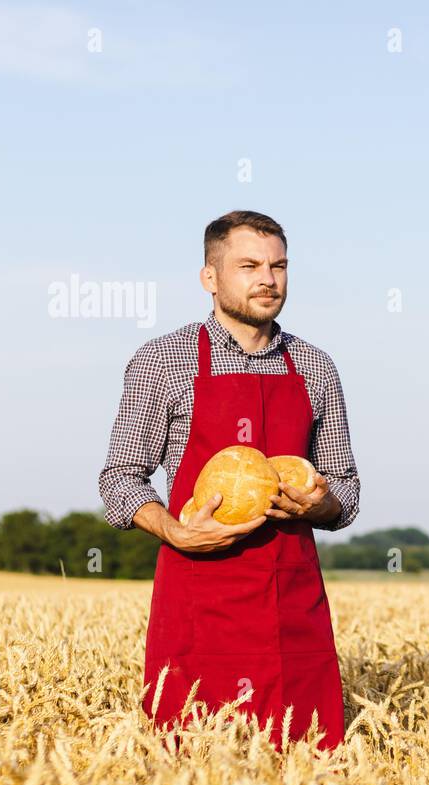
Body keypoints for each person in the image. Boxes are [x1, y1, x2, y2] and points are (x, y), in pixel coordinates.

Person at [98, 210, 359, 752]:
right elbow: (119, 478)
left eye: (279, 265)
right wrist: (174, 531)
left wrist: (320, 504)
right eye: (249, 265)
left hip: (293, 605)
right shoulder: (161, 362)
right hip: (199, 602)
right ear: (210, 278)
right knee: (190, 772)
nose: (268, 279)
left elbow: (347, 491)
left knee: (306, 773)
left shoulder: (315, 367)